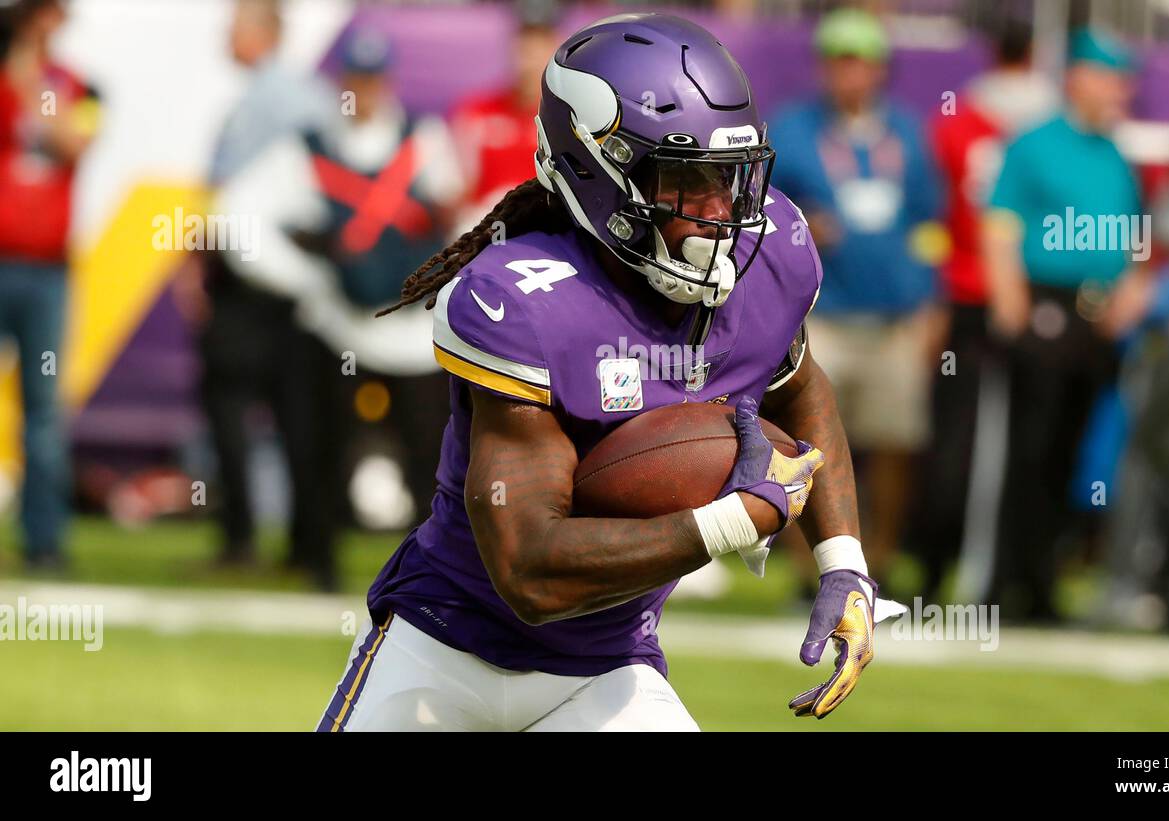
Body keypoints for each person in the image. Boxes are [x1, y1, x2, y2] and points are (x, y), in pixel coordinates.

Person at [318, 14, 904, 732]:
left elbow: (804, 390)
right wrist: (728, 521)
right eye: (688, 182)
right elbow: (530, 570)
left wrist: (843, 561)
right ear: (599, 168)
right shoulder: (525, 297)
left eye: (732, 179)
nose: (722, 217)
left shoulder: (769, 252)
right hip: (445, 647)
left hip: (606, 666)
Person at [217, 28, 464, 581]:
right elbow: (236, 217)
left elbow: (462, 214)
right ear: (341, 82)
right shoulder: (307, 148)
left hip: (411, 336)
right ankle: (315, 559)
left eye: (374, 80)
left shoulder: (424, 140)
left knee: (432, 462)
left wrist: (439, 279)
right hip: (338, 327)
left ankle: (436, 576)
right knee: (318, 448)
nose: (365, 91)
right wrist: (305, 278)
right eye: (356, 79)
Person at [767, 9, 943, 582]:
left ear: (879, 69)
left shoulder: (908, 134)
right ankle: (807, 569)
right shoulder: (794, 129)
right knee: (804, 445)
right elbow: (755, 214)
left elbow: (930, 223)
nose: (850, 73)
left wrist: (930, 304)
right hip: (821, 315)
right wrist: (798, 226)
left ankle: (881, 559)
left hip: (893, 314)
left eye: (860, 61)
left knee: (896, 442)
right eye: (839, 60)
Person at [981, 29, 1149, 621]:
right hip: (1043, 306)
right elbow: (1001, 221)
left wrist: (1131, 290)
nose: (1119, 91)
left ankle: (1045, 581)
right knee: (1029, 447)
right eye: (1110, 77)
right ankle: (1002, 582)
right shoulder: (1034, 145)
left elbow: (1135, 238)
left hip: (1095, 317)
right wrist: (1010, 299)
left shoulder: (1116, 157)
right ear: (1078, 78)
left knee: (1071, 454)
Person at [916, 20, 1056, 600]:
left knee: (964, 446)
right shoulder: (1050, 125)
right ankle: (997, 578)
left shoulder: (957, 121)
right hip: (1019, 295)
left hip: (971, 292)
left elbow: (930, 219)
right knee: (1014, 447)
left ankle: (950, 574)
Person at [197, 0, 334, 574]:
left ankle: (241, 541)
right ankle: (305, 548)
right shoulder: (308, 96)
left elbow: (239, 198)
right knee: (297, 414)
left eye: (235, 24)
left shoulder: (271, 99)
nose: (226, 33)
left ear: (265, 32)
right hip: (291, 286)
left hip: (255, 284)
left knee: (231, 406)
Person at [0, 0, 97, 570]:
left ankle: (43, 541)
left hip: (46, 270)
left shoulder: (79, 86)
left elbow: (75, 144)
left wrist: (35, 82)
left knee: (42, 411)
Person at [447, 0, 559, 231]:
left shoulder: (568, 120)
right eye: (524, 45)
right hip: (484, 235)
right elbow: (453, 196)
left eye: (540, 45)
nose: (530, 57)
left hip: (547, 237)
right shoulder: (476, 112)